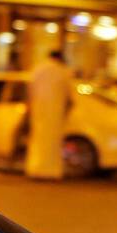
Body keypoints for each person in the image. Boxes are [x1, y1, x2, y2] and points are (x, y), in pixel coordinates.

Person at [25, 49, 71, 180]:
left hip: (39, 109)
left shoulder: (38, 69)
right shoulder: (63, 71)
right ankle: (51, 171)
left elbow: (30, 89)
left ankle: (35, 169)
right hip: (56, 111)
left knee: (38, 139)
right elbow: (69, 95)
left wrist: (30, 106)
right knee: (53, 143)